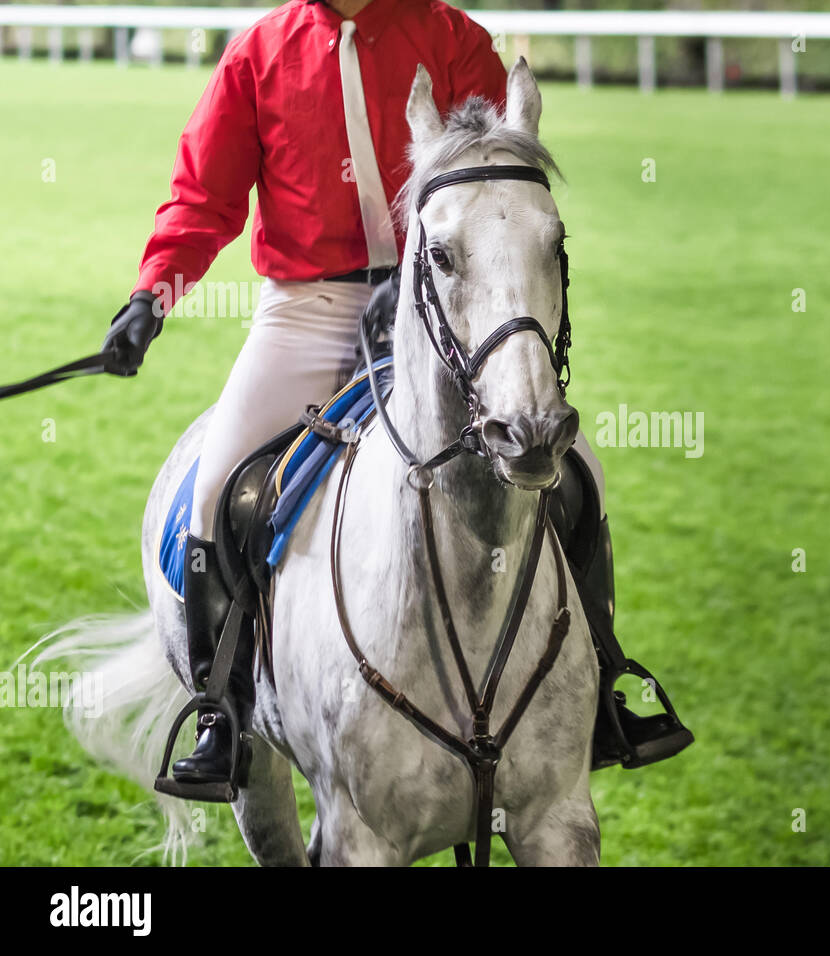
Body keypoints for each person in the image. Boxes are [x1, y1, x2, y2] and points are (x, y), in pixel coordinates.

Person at [102, 0, 691, 797]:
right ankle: (223, 714)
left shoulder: (448, 37)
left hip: (445, 300)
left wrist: (425, 276)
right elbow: (204, 198)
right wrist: (152, 297)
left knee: (576, 466)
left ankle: (602, 687)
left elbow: (500, 186)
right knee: (213, 490)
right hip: (308, 307)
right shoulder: (258, 55)